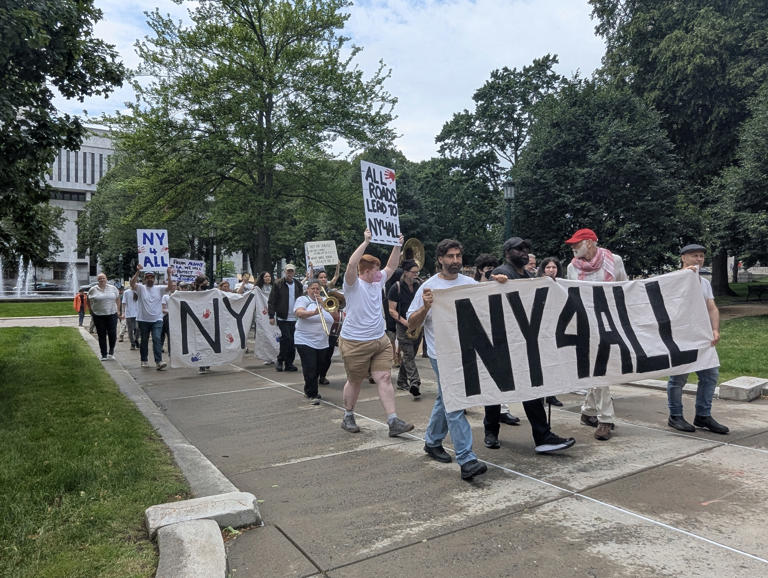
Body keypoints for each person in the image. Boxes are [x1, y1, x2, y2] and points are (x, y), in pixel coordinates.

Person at [407, 239, 492, 480]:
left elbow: (490, 305)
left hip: (466, 352)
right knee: (455, 403)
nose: (455, 261)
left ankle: (432, 441)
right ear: (440, 259)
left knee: (446, 399)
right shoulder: (429, 287)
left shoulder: (470, 283)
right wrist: (424, 308)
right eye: (450, 256)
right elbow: (411, 323)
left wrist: (501, 284)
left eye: (458, 256)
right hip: (440, 354)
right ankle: (466, 459)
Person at [483, 237, 575, 454]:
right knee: (496, 390)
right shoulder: (502, 272)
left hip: (524, 343)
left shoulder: (529, 276)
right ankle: (491, 431)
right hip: (504, 343)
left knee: (532, 389)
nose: (524, 252)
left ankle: (542, 436)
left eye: (527, 249)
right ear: (507, 252)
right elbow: (489, 290)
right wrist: (495, 280)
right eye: (519, 249)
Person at [338, 228, 414, 437]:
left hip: (379, 340)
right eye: (376, 269)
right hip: (355, 342)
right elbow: (352, 264)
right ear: (366, 271)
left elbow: (392, 265)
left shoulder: (377, 281)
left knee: (385, 377)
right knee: (355, 380)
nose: (381, 273)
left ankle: (393, 421)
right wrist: (365, 242)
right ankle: (348, 415)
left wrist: (397, 245)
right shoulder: (353, 285)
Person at [565, 228, 627, 441]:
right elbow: (571, 295)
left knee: (600, 368)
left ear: (590, 243)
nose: (573, 247)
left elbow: (623, 287)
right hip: (585, 323)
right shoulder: (572, 267)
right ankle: (605, 418)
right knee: (599, 368)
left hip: (609, 321)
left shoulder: (614, 260)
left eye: (577, 243)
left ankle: (590, 411)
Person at [666, 244, 729, 434]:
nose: (699, 260)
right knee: (679, 377)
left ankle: (703, 415)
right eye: (695, 256)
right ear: (683, 258)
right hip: (680, 337)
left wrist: (715, 329)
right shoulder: (672, 280)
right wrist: (685, 276)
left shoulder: (704, 283)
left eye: (702, 256)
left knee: (710, 375)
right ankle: (675, 416)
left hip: (701, 336)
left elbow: (711, 307)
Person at [472, 253, 522, 426]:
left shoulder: (500, 284)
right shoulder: (473, 286)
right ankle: (492, 421)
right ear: (480, 270)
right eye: (488, 269)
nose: (492, 271)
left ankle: (503, 410)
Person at [294, 279, 335, 404]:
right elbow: (299, 313)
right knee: (310, 366)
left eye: (318, 289)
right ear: (308, 290)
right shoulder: (303, 300)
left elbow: (333, 315)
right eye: (313, 288)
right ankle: (312, 393)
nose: (316, 291)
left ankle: (311, 388)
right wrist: (313, 312)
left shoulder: (323, 301)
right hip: (305, 339)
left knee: (319, 367)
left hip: (322, 341)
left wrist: (323, 304)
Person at [387, 259, 422, 399]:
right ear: (406, 273)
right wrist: (405, 322)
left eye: (417, 272)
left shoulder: (419, 285)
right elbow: (391, 310)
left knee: (411, 355)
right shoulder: (396, 287)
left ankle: (401, 381)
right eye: (413, 272)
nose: (416, 274)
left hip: (418, 325)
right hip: (403, 326)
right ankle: (415, 383)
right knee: (408, 355)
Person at [130, 264, 173, 370]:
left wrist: (169, 274)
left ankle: (159, 361)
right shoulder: (140, 288)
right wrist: (138, 272)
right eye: (148, 277)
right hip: (143, 320)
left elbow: (170, 287)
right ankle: (144, 360)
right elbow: (132, 284)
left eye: (152, 277)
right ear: (144, 279)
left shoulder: (159, 288)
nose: (150, 279)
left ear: (154, 279)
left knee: (157, 339)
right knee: (144, 340)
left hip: (157, 319)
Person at [536, 257, 565, 407]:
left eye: (554, 267)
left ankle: (551, 395)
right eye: (548, 267)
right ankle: (540, 395)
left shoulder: (562, 285)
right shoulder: (536, 284)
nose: (551, 270)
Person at [268, 264, 303, 372]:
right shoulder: (278, 284)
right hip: (283, 317)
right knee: (286, 339)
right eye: (288, 271)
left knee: (292, 342)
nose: (289, 273)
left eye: (291, 271)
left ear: (294, 273)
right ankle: (280, 360)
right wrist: (271, 315)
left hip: (295, 318)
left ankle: (289, 363)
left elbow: (301, 299)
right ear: (284, 272)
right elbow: (272, 300)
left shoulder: (298, 284)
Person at [88, 273, 120, 361]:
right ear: (97, 280)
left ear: (106, 279)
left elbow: (117, 298)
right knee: (101, 335)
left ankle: (111, 352)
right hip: (98, 315)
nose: (102, 280)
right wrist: (91, 310)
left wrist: (118, 310)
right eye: (100, 279)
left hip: (112, 314)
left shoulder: (113, 288)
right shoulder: (93, 289)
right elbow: (89, 299)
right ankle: (104, 354)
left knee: (112, 334)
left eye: (103, 278)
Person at [120, 286, 139, 350]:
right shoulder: (126, 292)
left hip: (138, 314)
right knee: (130, 330)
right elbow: (123, 303)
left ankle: (136, 340)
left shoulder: (140, 291)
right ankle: (132, 344)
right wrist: (123, 313)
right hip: (129, 314)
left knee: (138, 328)